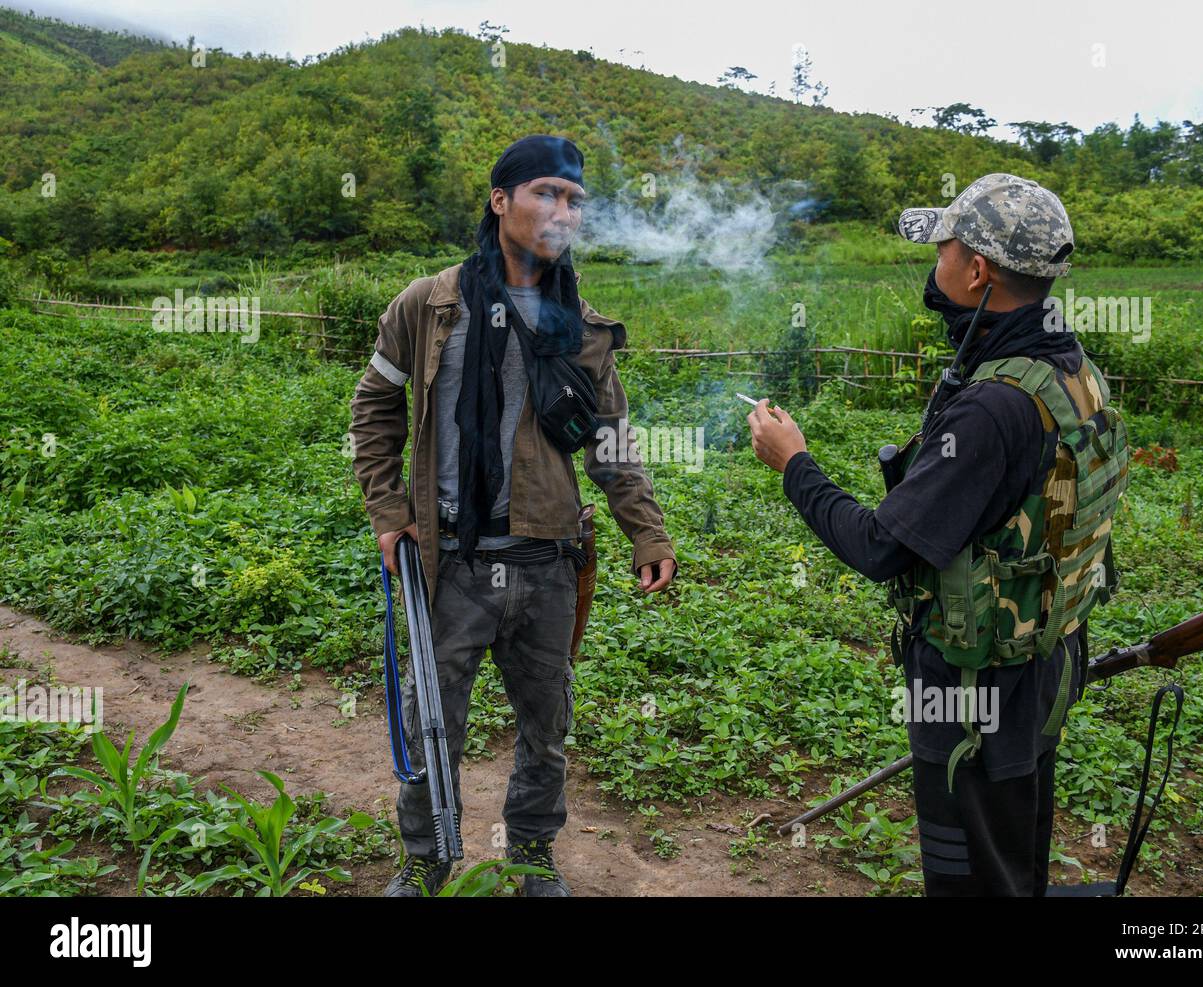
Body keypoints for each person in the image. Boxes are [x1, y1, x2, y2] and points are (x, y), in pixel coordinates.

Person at [746, 173, 1129, 896]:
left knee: (969, 875)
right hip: (1044, 669)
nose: (933, 267)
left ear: (977, 271)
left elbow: (880, 546)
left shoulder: (993, 407)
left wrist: (794, 463)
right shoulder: (1071, 372)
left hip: (974, 695)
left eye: (942, 250)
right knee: (1015, 861)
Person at [349, 135, 677, 897]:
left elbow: (611, 440)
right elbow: (374, 408)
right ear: (500, 201)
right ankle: (427, 859)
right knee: (437, 728)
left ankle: (531, 855)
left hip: (548, 563)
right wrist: (388, 507)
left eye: (574, 200)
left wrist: (645, 530)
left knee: (546, 730)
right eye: (545, 193)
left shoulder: (583, 327)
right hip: (452, 563)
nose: (562, 211)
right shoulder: (426, 305)